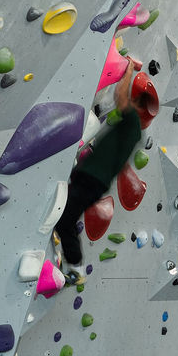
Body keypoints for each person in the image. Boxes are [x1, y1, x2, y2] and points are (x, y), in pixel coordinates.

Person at [52, 54, 158, 268]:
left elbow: (120, 96)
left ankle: (75, 265)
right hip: (90, 176)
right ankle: (74, 262)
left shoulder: (131, 123)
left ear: (138, 106)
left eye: (134, 100)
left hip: (92, 178)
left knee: (65, 218)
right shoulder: (132, 129)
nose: (131, 101)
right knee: (64, 213)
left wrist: (128, 69)